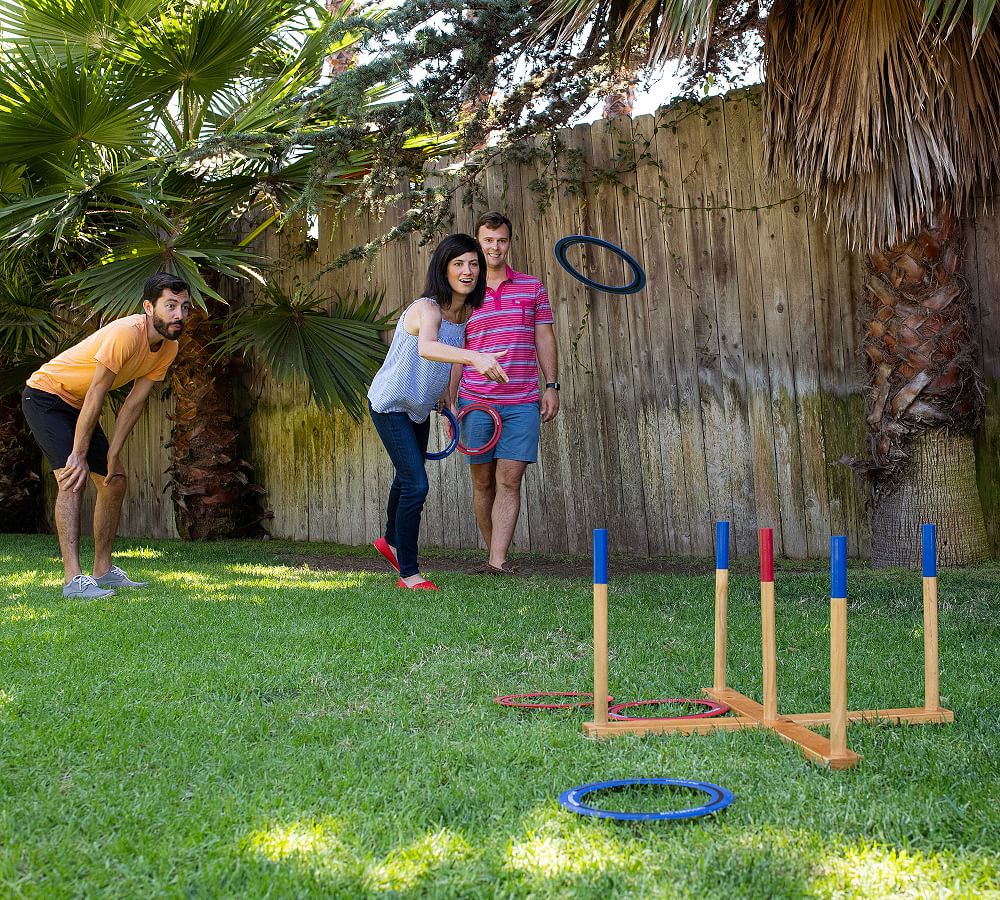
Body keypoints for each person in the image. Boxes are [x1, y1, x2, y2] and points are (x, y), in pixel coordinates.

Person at [21, 273, 192, 599]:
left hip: (78, 404)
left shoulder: (168, 347)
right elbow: (97, 394)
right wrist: (78, 454)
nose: (179, 315)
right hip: (46, 396)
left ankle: (103, 571)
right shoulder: (126, 334)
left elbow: (134, 402)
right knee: (72, 477)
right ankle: (73, 580)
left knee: (114, 480)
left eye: (184, 307)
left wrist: (113, 453)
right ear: (148, 307)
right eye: (170, 306)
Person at [368, 234, 508, 591]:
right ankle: (409, 574)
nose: (468, 270)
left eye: (473, 264)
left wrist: (447, 393)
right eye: (459, 263)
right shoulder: (426, 308)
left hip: (418, 407)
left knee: (405, 477)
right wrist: (476, 358)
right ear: (443, 269)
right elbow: (429, 347)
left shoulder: (464, 313)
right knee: (416, 483)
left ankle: (388, 540)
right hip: (390, 404)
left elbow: (443, 358)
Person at [452, 211, 560, 575]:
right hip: (475, 400)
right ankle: (493, 555)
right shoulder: (465, 290)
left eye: (501, 240)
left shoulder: (532, 287)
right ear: (478, 243)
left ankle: (498, 562)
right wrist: (450, 400)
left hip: (522, 400)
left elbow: (544, 336)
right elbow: (454, 349)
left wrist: (552, 385)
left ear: (509, 243)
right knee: (482, 482)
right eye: (488, 240)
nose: (495, 247)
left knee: (509, 480)